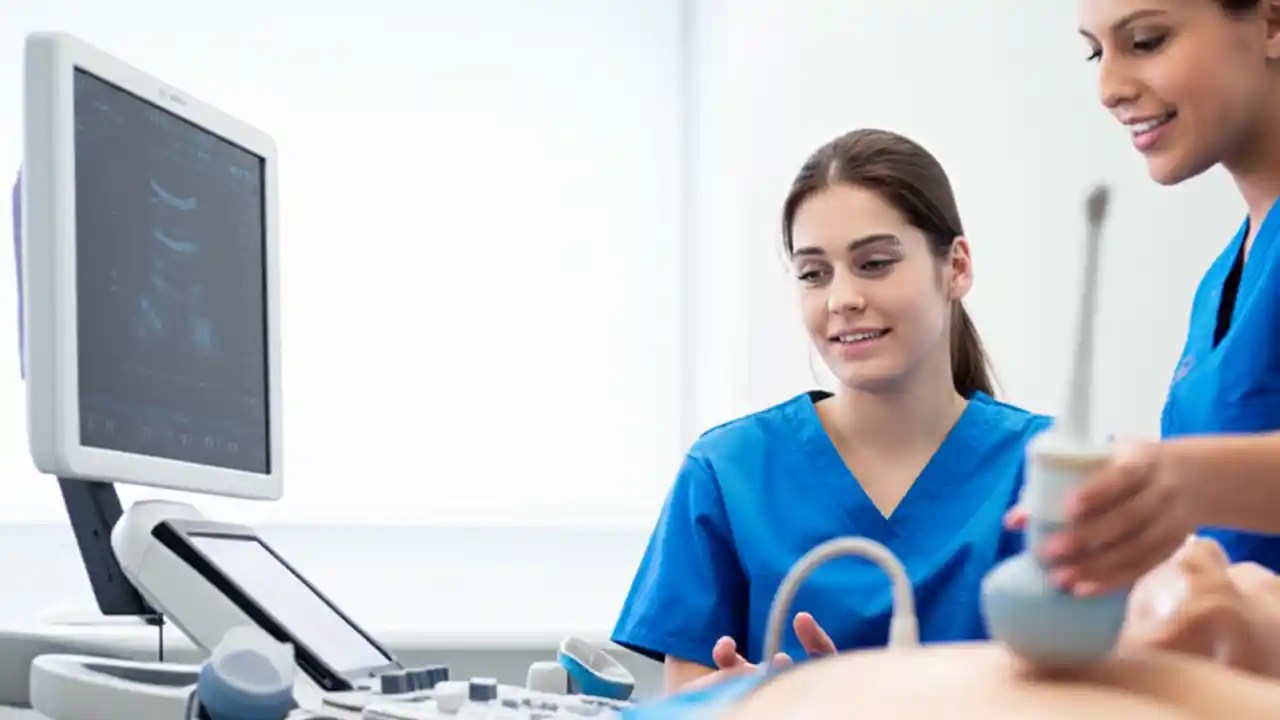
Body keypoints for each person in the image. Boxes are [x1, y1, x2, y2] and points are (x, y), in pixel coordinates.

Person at [610, 128, 1053, 692]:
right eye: (814, 274)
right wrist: (760, 704)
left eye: (874, 263)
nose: (842, 299)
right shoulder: (729, 470)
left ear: (957, 267)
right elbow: (688, 697)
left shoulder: (1048, 472)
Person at [1009, 0, 1280, 603]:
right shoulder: (1221, 283)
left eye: (1147, 40)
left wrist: (1186, 479)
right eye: (1095, 52)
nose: (1108, 88)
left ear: (1271, 23)